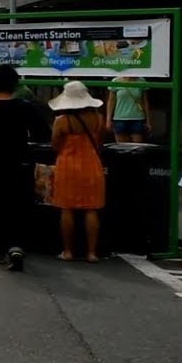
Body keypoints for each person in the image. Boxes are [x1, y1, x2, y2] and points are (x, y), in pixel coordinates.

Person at [0, 64, 52, 272]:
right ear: (15, 84)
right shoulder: (26, 107)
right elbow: (43, 134)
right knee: (19, 206)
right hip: (22, 163)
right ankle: (17, 247)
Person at [49, 81, 107, 263]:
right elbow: (100, 141)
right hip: (92, 165)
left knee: (67, 209)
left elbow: (55, 144)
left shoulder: (62, 121)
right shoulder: (98, 118)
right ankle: (91, 253)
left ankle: (67, 251)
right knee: (91, 208)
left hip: (67, 165)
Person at [107, 75, 151, 143]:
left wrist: (148, 121)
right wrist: (108, 120)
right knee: (122, 149)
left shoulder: (141, 81)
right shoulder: (116, 81)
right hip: (120, 118)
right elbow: (111, 101)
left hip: (137, 119)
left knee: (136, 149)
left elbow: (145, 102)